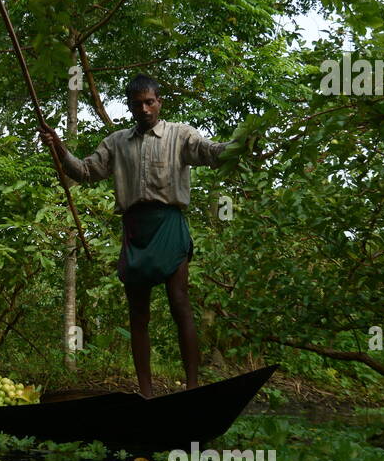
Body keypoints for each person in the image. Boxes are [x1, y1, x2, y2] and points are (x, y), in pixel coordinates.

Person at [39, 75, 258, 398]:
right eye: (137, 103)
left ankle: (193, 387)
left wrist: (244, 142)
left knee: (179, 302)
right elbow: (85, 172)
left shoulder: (179, 135)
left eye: (149, 102)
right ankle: (146, 393)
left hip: (169, 223)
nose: (144, 109)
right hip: (135, 228)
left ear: (159, 102)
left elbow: (212, 153)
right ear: (129, 106)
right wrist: (58, 147)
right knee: (138, 314)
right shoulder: (116, 142)